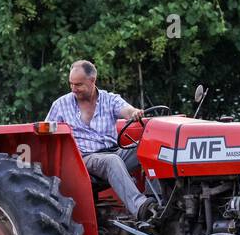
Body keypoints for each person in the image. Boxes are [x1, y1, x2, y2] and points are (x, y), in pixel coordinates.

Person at [45, 60, 158, 222]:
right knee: (111, 161)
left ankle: (164, 200)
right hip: (83, 159)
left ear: (92, 81)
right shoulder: (61, 105)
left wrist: (134, 112)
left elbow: (126, 110)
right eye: (71, 84)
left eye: (78, 85)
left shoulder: (109, 100)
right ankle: (140, 207)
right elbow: (46, 135)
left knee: (148, 147)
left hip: (113, 151)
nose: (73, 89)